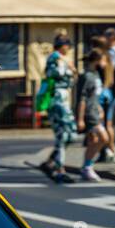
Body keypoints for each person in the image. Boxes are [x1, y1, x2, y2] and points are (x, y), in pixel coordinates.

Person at [39, 34, 77, 184]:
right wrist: (68, 68)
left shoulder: (61, 59)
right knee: (63, 134)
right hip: (57, 100)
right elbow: (53, 74)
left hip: (63, 100)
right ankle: (60, 169)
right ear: (63, 45)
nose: (68, 48)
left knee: (71, 134)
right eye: (67, 45)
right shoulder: (55, 58)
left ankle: (51, 162)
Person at [75, 49, 109, 182]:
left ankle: (87, 167)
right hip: (89, 114)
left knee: (94, 140)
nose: (106, 64)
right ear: (97, 61)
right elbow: (82, 99)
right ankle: (87, 166)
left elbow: (94, 96)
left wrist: (100, 108)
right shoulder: (87, 76)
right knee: (103, 138)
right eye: (104, 60)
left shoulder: (95, 75)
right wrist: (80, 118)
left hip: (95, 112)